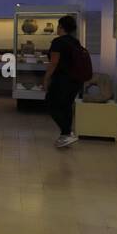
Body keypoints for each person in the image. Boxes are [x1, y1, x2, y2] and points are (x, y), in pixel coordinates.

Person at [42, 14, 82, 148]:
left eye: (58, 26)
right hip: (75, 80)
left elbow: (54, 63)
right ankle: (65, 136)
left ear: (61, 27)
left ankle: (67, 133)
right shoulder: (75, 41)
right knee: (66, 107)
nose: (57, 29)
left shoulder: (58, 42)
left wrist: (46, 79)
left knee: (51, 104)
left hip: (62, 80)